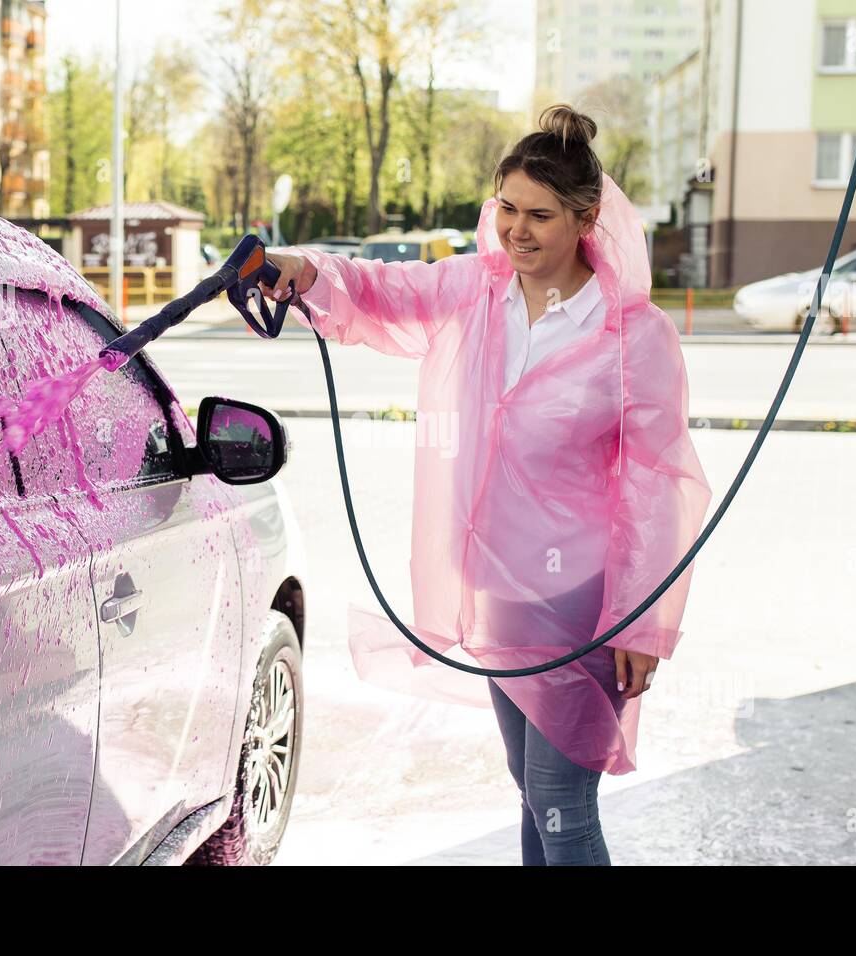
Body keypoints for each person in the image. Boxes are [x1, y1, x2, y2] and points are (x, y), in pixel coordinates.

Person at [258, 104, 713, 866]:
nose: (518, 230)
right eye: (507, 208)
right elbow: (383, 290)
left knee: (565, 805)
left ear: (586, 219)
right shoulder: (478, 289)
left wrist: (640, 623)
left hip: (579, 599)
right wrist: (304, 270)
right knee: (531, 791)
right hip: (496, 586)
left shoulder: (634, 336)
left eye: (540, 214)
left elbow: (655, 487)